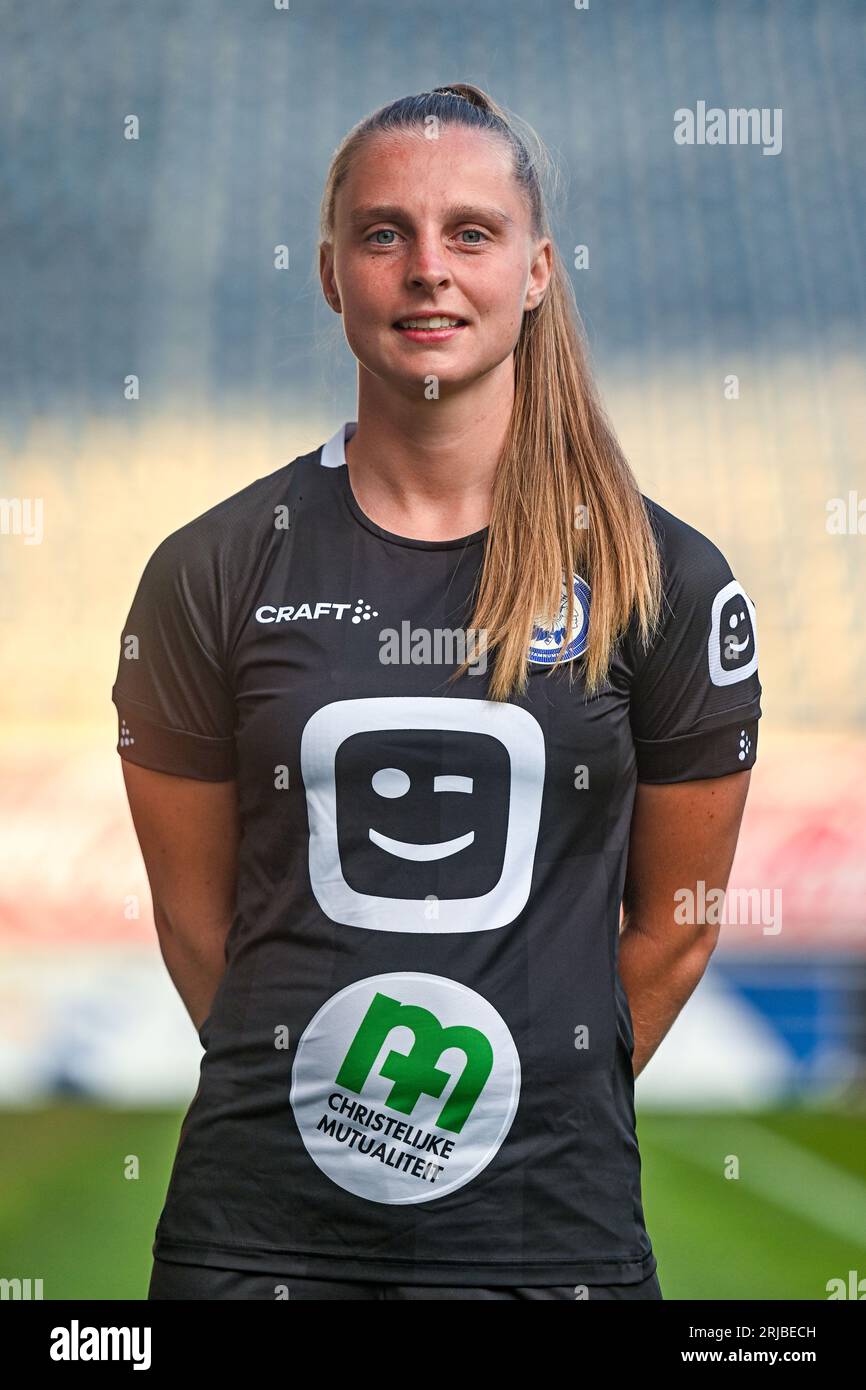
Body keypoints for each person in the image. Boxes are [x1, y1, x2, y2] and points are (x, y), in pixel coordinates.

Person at [112, 83, 762, 1301]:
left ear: (535, 272)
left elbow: (672, 928)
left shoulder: (661, 577)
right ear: (328, 273)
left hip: (546, 1236)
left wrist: (494, 1123)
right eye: (382, 233)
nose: (427, 270)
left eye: (469, 232)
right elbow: (201, 929)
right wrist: (346, 1120)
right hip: (258, 1239)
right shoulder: (209, 567)